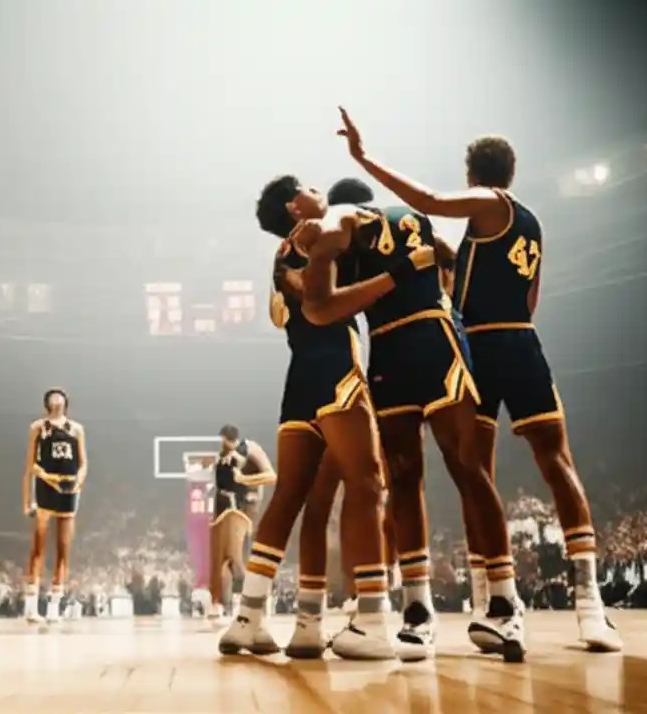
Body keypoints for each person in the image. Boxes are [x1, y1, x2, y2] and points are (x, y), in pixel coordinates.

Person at [338, 117, 620, 652]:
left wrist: (365, 160)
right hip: (523, 341)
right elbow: (532, 295)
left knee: (475, 472)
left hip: (478, 348)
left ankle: (492, 599)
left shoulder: (488, 203)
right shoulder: (530, 223)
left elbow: (427, 199)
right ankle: (588, 607)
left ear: (477, 176)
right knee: (547, 464)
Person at [277, 118, 527, 662]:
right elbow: (450, 258)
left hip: (400, 347)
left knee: (408, 476)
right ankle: (497, 605)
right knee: (464, 469)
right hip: (431, 337)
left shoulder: (346, 217)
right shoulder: (412, 220)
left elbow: (322, 299)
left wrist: (316, 244)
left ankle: (424, 609)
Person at [220, 178, 430, 660]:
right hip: (336, 366)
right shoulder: (318, 231)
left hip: (299, 381)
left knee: (294, 498)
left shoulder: (278, 258)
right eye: (312, 186)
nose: (323, 191)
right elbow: (325, 309)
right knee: (369, 481)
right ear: (297, 205)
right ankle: (373, 618)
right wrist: (397, 274)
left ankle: (257, 619)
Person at [21, 388, 87, 624]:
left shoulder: (76, 429)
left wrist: (78, 482)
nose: (57, 398)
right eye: (53, 395)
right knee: (38, 547)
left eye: (61, 395)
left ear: (66, 402)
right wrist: (26, 499)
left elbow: (83, 463)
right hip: (46, 485)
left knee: (63, 548)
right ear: (47, 402)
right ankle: (30, 604)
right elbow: (30, 465)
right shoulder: (38, 427)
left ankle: (54, 605)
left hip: (69, 488)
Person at [206, 425, 276, 622]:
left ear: (231, 439)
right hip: (225, 506)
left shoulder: (251, 448)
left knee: (239, 557)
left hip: (246, 505)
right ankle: (220, 601)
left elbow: (271, 476)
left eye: (224, 442)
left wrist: (243, 478)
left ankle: (257, 599)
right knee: (222, 555)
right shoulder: (222, 458)